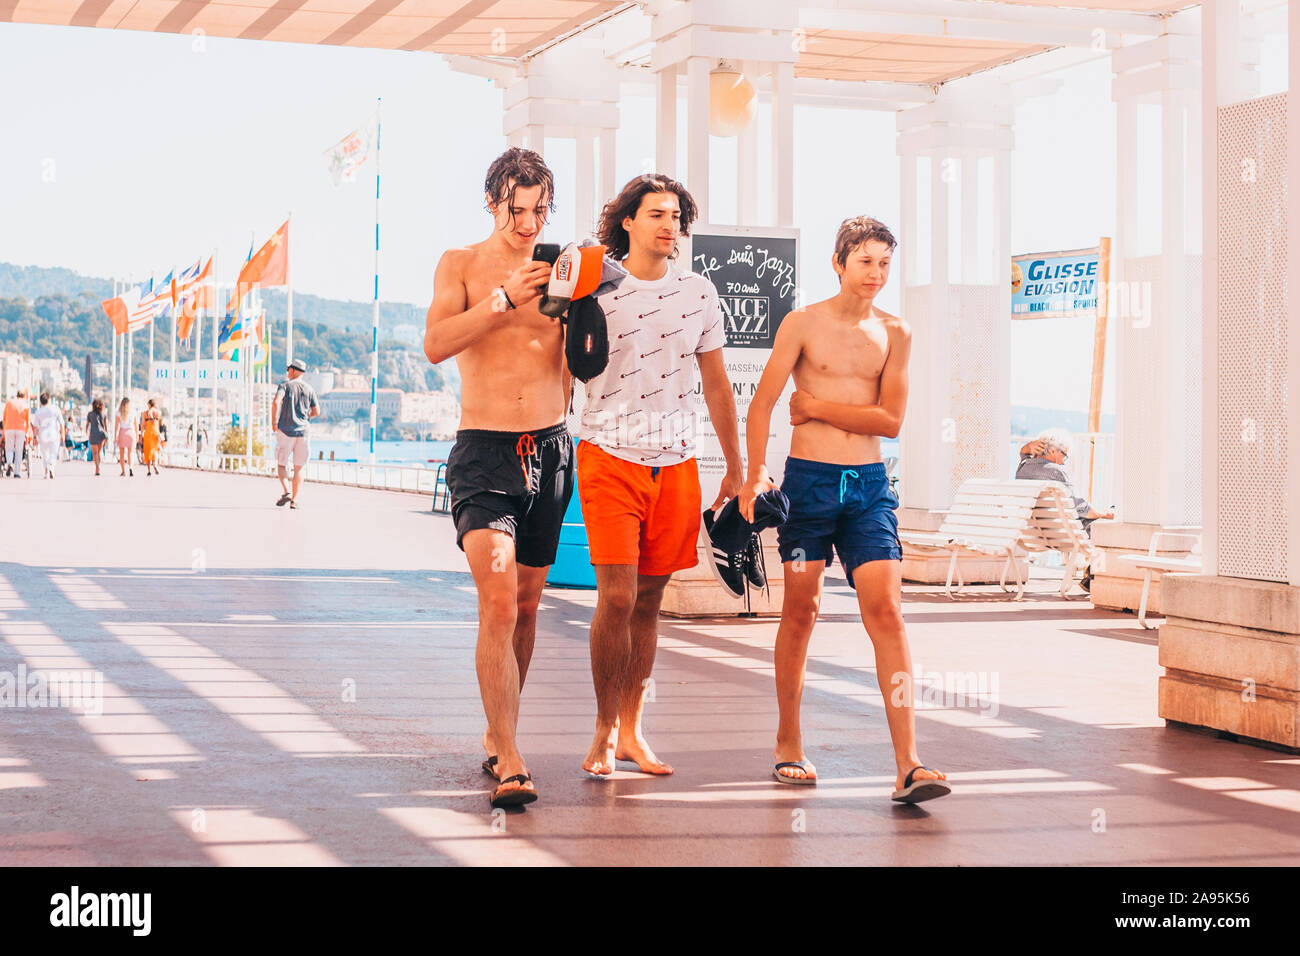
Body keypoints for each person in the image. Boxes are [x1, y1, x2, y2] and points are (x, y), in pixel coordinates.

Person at [741, 216, 951, 804]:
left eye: (885, 263)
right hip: (808, 487)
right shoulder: (803, 323)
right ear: (838, 262)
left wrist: (817, 405)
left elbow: (890, 421)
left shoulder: (896, 332)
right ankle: (788, 741)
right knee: (802, 611)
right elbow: (763, 405)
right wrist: (755, 473)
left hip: (869, 487)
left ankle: (909, 763)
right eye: (865, 262)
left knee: (886, 610)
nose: (876, 275)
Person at [577, 173, 743, 777]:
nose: (670, 225)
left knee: (649, 600)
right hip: (607, 452)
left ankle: (631, 733)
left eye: (676, 216)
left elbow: (718, 384)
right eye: (656, 214)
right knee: (616, 596)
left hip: (677, 459)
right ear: (628, 222)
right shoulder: (595, 285)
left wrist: (736, 464)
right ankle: (600, 731)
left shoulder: (698, 293)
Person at [424, 147, 571, 809]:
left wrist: (589, 315)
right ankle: (511, 758)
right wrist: (502, 299)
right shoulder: (460, 265)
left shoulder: (563, 271)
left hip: (552, 450)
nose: (529, 222)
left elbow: (585, 362)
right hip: (484, 452)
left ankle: (499, 728)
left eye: (540, 209)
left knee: (530, 605)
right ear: (493, 202)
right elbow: (435, 343)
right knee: (499, 600)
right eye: (518, 209)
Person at [1016, 429, 1114, 590]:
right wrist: (1104, 514)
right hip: (1066, 533)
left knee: (1101, 526)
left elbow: (1023, 454)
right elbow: (1081, 507)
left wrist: (1027, 447)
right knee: (1105, 530)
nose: (1064, 460)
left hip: (1040, 533)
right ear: (1053, 451)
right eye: (1064, 455)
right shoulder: (1057, 471)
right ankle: (1094, 577)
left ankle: (1093, 575)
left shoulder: (1022, 469)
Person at [271, 358, 321, 510]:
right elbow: (317, 411)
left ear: (292, 370)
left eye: (288, 369)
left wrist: (274, 423)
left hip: (285, 430)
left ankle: (286, 492)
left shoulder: (284, 386)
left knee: (281, 464)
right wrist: (304, 418)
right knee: (298, 468)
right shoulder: (309, 389)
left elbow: (276, 402)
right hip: (303, 432)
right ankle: (294, 500)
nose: (287, 372)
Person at [32, 393, 64, 479]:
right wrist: (63, 434)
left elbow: (35, 426)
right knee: (53, 453)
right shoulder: (55, 409)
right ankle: (51, 467)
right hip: (54, 434)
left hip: (42, 435)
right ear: (49, 400)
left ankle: (46, 472)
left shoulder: (38, 412)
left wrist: (34, 437)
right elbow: (61, 423)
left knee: (45, 454)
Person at [3, 390, 31, 478]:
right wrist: (26, 432)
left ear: (17, 395)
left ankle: (9, 463)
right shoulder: (26, 405)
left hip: (9, 428)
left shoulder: (9, 403)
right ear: (24, 396)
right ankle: (17, 472)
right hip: (20, 429)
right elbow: (28, 421)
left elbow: (4, 418)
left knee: (9, 448)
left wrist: (4, 429)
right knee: (19, 451)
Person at [140, 398, 163, 477]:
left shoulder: (145, 413)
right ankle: (155, 465)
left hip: (148, 433)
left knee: (147, 451)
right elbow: (160, 424)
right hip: (155, 432)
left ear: (149, 404)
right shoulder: (158, 412)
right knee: (155, 450)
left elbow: (143, 424)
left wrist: (141, 434)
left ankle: (149, 470)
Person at [87, 397, 108, 475]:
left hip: (93, 434)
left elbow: (87, 425)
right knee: (99, 452)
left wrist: (86, 432)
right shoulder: (104, 414)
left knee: (94, 453)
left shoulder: (90, 414)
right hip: (102, 434)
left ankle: (97, 468)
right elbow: (106, 426)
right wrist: (107, 436)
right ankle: (98, 468)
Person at [114, 397, 135, 477]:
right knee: (130, 454)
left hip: (122, 432)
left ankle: (123, 471)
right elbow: (136, 426)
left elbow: (116, 426)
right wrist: (136, 436)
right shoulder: (133, 412)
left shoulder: (118, 413)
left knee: (122, 454)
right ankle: (131, 468)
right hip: (131, 432)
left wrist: (115, 437)